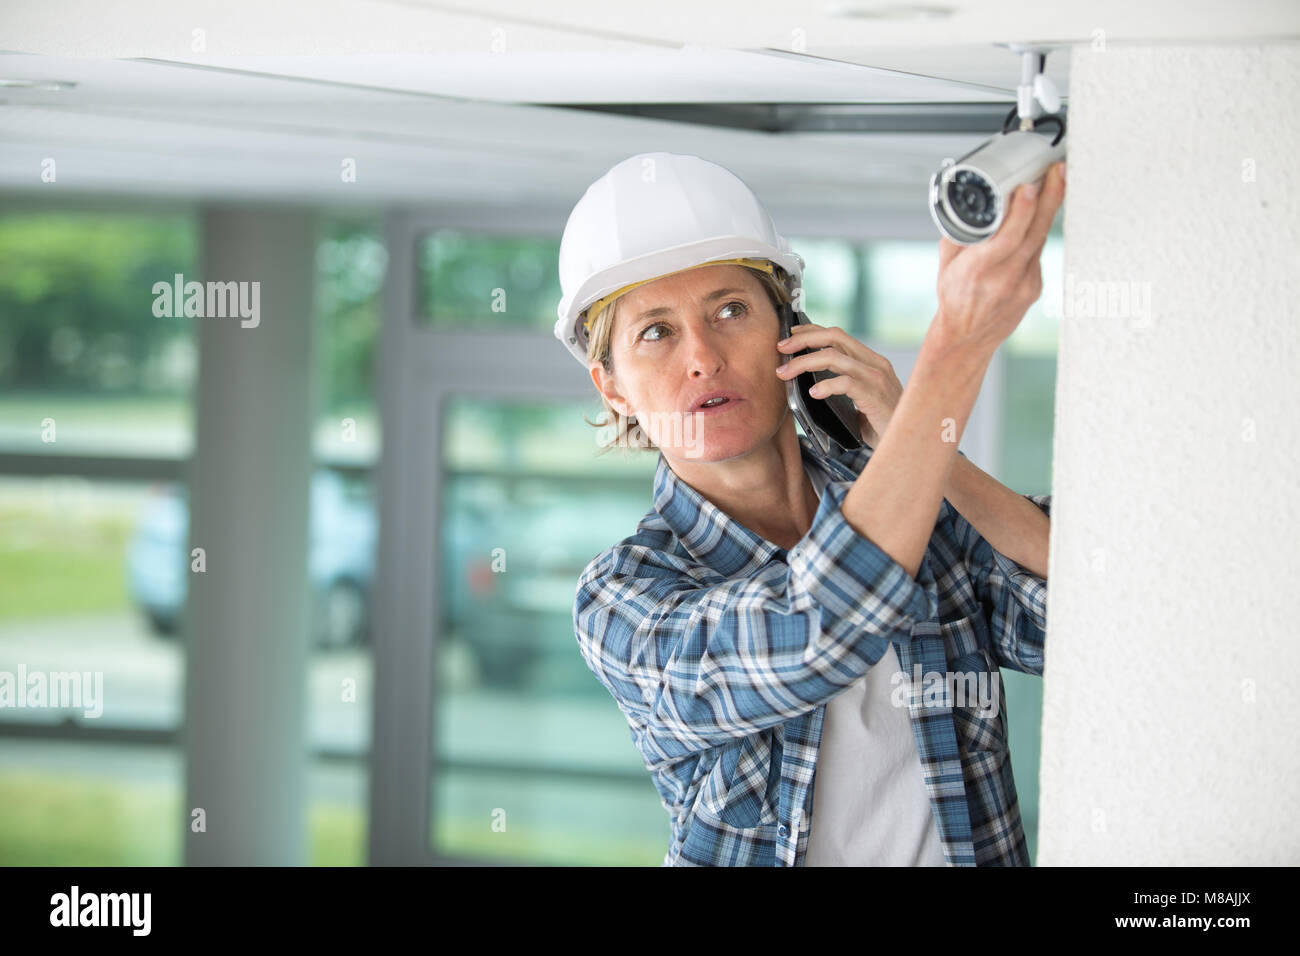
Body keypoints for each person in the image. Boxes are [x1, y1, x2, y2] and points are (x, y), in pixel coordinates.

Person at [554, 151, 1065, 866]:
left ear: (789, 334)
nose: (702, 356)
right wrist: (956, 348)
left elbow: (1084, 614)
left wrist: (919, 445)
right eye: (656, 332)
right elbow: (819, 628)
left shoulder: (921, 510)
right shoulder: (622, 599)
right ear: (613, 389)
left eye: (730, 310)